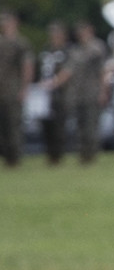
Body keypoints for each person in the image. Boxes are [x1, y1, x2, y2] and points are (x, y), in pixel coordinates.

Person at [64, 20, 106, 164]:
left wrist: (103, 91)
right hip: (78, 93)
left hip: (92, 92)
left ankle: (91, 155)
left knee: (91, 126)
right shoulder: (75, 50)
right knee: (80, 126)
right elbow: (68, 71)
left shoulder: (97, 48)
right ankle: (83, 154)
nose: (81, 34)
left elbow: (103, 72)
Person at [32, 22, 70, 165]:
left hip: (60, 94)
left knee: (59, 125)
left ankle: (58, 155)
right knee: (46, 125)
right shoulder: (46, 51)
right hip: (44, 95)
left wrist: (54, 83)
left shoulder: (67, 51)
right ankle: (50, 154)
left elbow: (68, 70)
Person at [0, 10, 27, 169]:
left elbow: (26, 66)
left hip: (13, 90)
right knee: (3, 127)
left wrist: (24, 88)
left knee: (13, 125)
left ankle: (15, 158)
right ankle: (7, 158)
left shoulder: (20, 43)